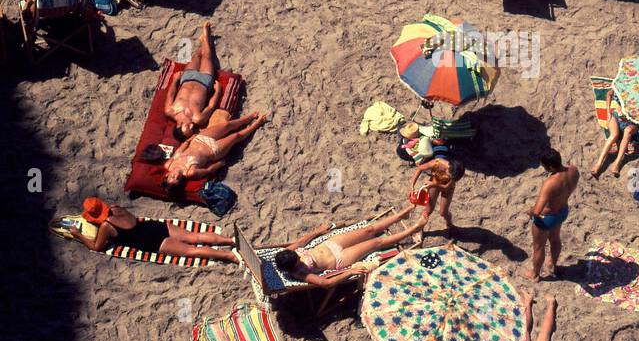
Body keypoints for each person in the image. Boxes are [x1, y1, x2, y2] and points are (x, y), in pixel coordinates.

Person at [273, 207, 427, 286]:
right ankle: (413, 229)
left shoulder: (287, 253)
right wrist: (350, 272)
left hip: (330, 244)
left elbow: (301, 242)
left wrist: (319, 231)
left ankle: (400, 215)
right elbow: (325, 283)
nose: (300, 258)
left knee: (368, 230)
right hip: (339, 259)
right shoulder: (300, 273)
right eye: (298, 261)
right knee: (375, 243)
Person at [69, 198, 239, 261]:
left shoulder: (106, 226)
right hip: (156, 226)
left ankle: (229, 256)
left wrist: (78, 235)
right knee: (195, 236)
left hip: (152, 242)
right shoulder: (115, 207)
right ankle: (230, 240)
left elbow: (97, 247)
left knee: (191, 251)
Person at [160, 111, 268, 197]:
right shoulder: (190, 172)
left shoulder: (168, 165)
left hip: (199, 139)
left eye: (172, 177)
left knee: (226, 125)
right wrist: (219, 164)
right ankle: (256, 124)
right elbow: (208, 170)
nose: (176, 176)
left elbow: (179, 150)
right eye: (177, 179)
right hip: (213, 150)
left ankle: (247, 118)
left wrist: (189, 140)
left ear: (167, 175)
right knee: (236, 137)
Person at [163, 22, 224, 140]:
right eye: (192, 129)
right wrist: (218, 91)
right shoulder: (198, 118)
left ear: (179, 126)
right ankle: (206, 36)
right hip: (205, 81)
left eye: (188, 128)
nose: (192, 126)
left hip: (187, 78)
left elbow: (171, 93)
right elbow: (211, 106)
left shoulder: (170, 110)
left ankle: (204, 42)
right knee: (206, 56)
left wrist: (175, 80)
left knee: (196, 56)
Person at [529, 149, 579, 279]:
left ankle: (535, 274)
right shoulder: (573, 170)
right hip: (562, 211)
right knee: (555, 239)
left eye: (544, 167)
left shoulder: (550, 183)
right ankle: (553, 264)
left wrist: (530, 211)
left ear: (550, 167)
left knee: (538, 247)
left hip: (547, 217)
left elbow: (537, 211)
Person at [410, 158, 464, 229]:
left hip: (446, 188)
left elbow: (446, 187)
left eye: (452, 178)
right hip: (434, 182)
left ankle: (449, 224)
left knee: (443, 212)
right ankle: (420, 229)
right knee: (428, 210)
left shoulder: (455, 174)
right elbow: (420, 168)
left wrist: (434, 185)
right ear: (448, 168)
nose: (449, 178)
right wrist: (411, 185)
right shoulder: (437, 163)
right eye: (449, 176)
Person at [591, 107, 639, 179]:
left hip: (632, 121)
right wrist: (608, 113)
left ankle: (617, 163)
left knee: (628, 131)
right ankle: (598, 164)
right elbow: (609, 95)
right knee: (614, 135)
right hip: (618, 115)